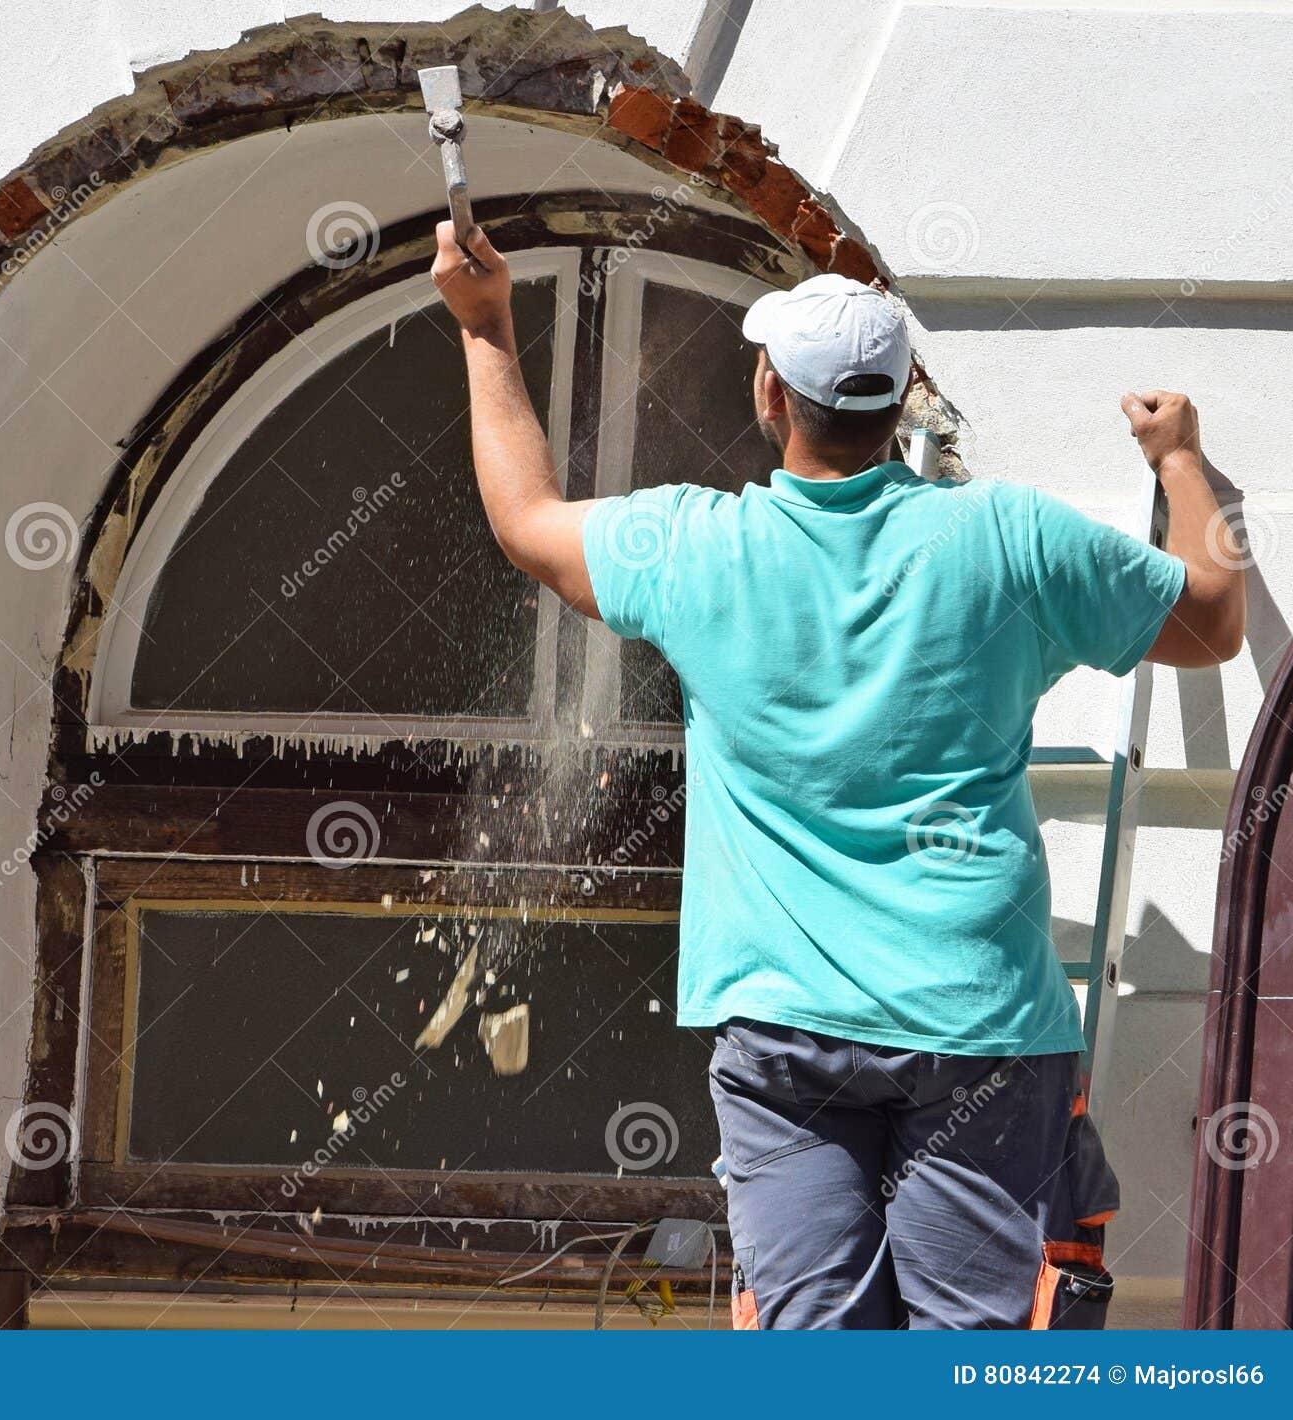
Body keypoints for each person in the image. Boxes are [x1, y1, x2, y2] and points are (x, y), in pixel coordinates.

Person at [431, 221, 1244, 1329]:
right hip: (977, 1028)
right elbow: (1211, 621)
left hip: (784, 1033)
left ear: (769, 394)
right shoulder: (1007, 538)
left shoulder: (692, 547)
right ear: (905, 394)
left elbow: (526, 522)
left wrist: (485, 329)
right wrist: (1180, 460)